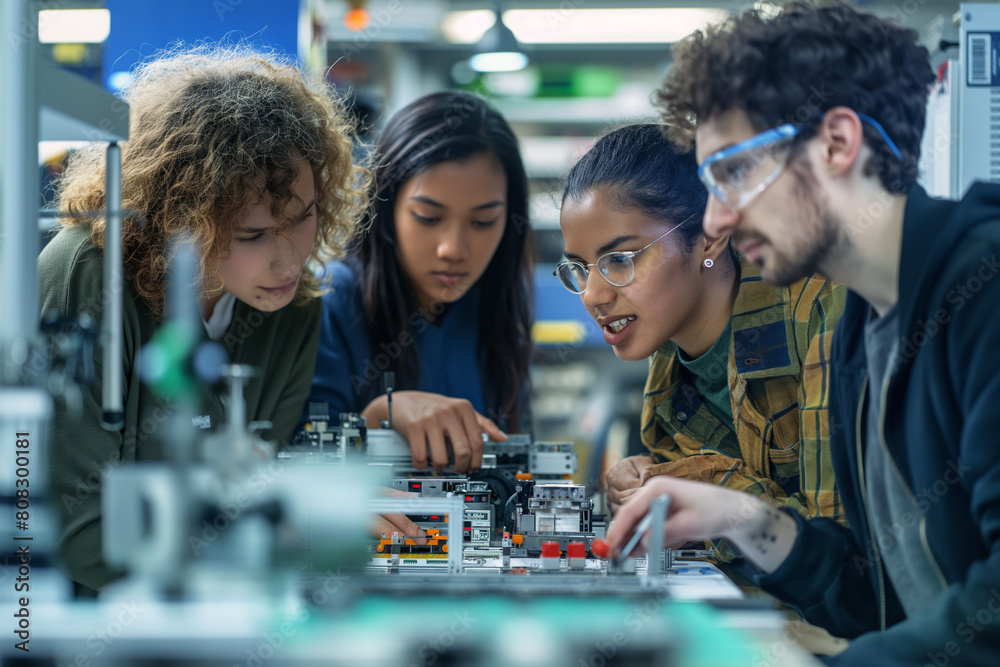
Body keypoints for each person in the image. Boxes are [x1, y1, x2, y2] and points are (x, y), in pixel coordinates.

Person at [607, 2, 1000, 663]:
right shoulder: (860, 331)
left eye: (733, 171)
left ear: (838, 144)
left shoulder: (981, 292)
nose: (717, 217)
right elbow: (879, 594)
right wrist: (741, 518)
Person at [40, 47, 368, 596]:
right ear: (182, 219)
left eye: (304, 217)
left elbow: (254, 490)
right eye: (252, 235)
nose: (289, 261)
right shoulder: (88, 275)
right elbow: (77, 530)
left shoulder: (295, 307)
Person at [557, 124, 845, 568]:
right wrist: (645, 483)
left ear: (710, 235)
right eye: (579, 267)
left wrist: (706, 483)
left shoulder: (819, 314)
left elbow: (843, 553)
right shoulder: (668, 367)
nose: (593, 294)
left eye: (620, 259)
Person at [308, 91, 534, 473]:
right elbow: (297, 465)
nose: (453, 249)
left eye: (483, 222)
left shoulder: (493, 308)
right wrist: (379, 415)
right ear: (386, 206)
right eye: (428, 217)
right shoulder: (326, 304)